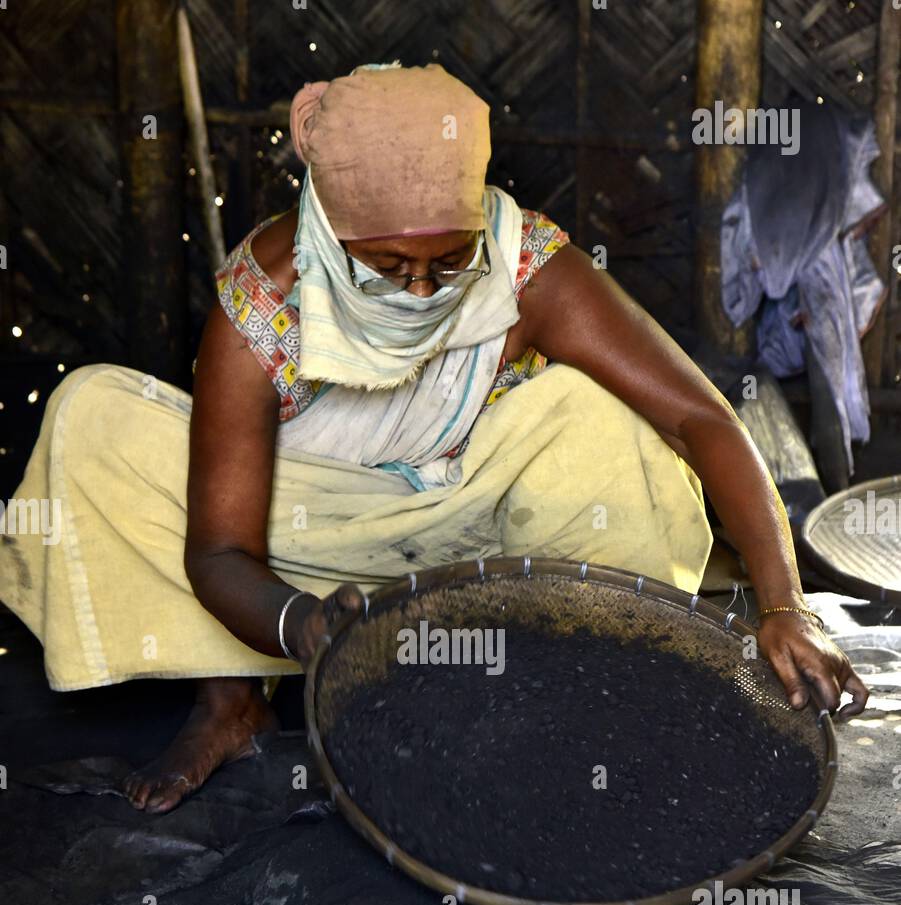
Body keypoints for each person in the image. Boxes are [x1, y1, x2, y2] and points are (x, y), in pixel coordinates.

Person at [1, 62, 867, 814]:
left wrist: (785, 606)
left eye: (447, 264)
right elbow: (221, 548)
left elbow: (700, 417)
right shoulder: (262, 302)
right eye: (386, 267)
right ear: (330, 233)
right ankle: (231, 698)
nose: (420, 291)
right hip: (301, 543)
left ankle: (562, 670)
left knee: (605, 419)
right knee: (93, 416)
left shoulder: (526, 266)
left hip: (464, 524)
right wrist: (301, 623)